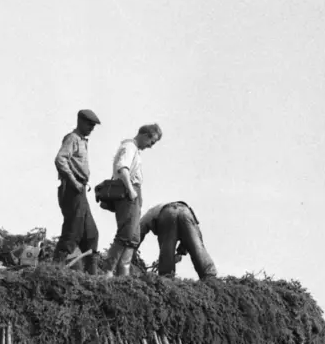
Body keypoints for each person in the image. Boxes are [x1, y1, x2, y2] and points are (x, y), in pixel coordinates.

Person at [101, 123, 162, 278]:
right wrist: (131, 190)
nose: (150, 146)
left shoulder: (135, 150)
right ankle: (108, 271)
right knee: (126, 232)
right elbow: (122, 168)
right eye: (151, 141)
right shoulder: (129, 147)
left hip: (134, 192)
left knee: (134, 236)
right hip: (127, 191)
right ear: (145, 135)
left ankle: (124, 275)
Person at [53, 109, 101, 272]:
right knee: (73, 231)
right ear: (79, 121)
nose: (91, 128)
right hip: (72, 189)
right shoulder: (72, 138)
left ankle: (91, 277)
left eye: (93, 126)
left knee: (91, 234)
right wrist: (73, 181)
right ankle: (55, 270)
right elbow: (60, 159)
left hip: (80, 190)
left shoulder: (82, 141)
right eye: (89, 124)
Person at [139, 201, 218, 280]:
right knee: (196, 245)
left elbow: (138, 230)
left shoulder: (150, 213)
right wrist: (180, 252)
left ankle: (167, 278)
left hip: (166, 213)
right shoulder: (154, 211)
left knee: (167, 248)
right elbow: (194, 238)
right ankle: (210, 277)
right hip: (185, 211)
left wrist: (131, 250)